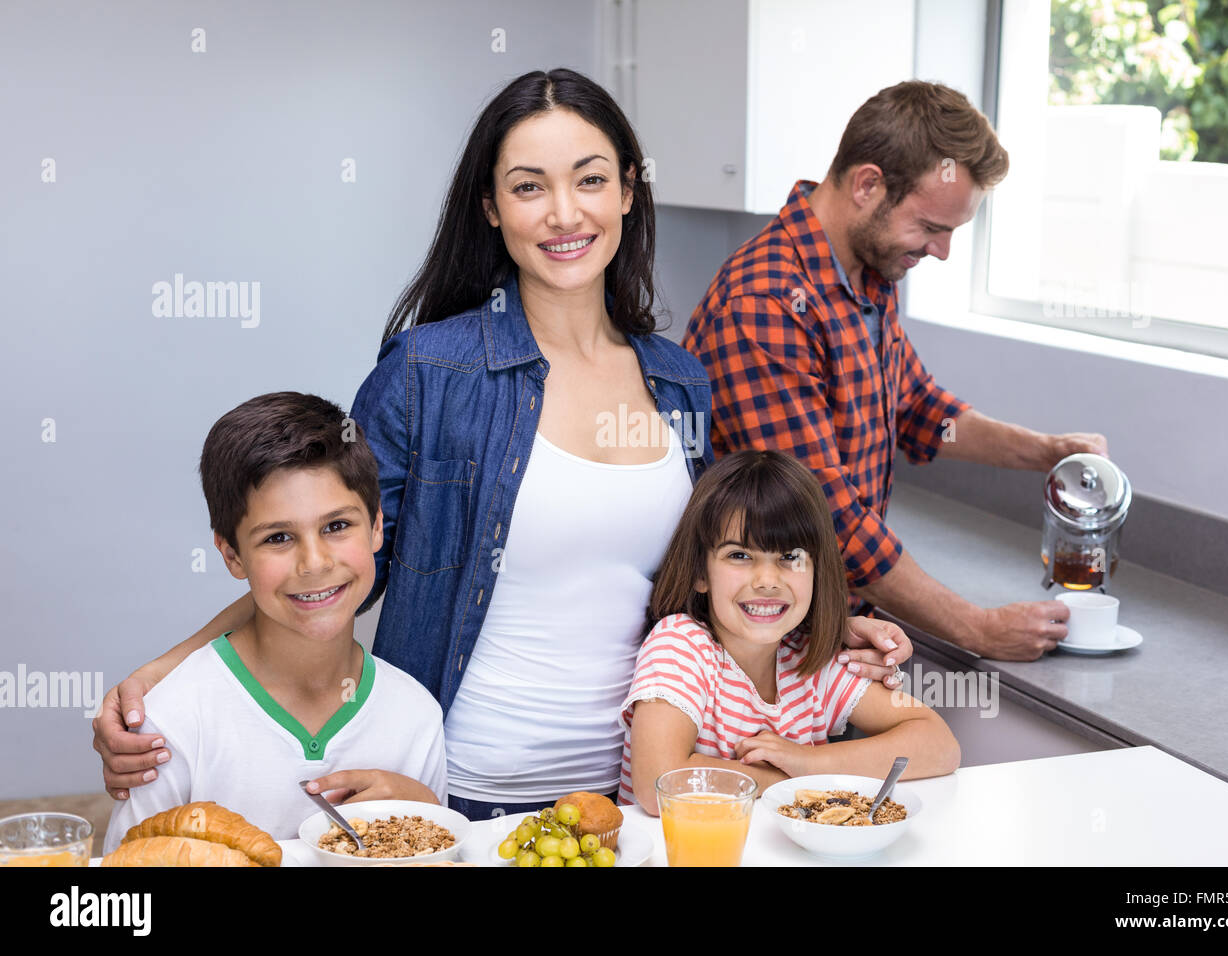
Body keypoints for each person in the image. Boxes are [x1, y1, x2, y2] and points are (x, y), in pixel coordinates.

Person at [91, 69, 913, 819]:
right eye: (530, 187)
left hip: (642, 793)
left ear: (628, 191)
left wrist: (825, 627)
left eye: (591, 179)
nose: (565, 213)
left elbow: (714, 574)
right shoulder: (428, 372)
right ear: (491, 206)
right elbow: (328, 553)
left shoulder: (679, 382)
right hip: (467, 788)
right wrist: (171, 674)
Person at [684, 80, 1108, 662]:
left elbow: (919, 410)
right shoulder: (767, 301)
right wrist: (977, 628)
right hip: (756, 645)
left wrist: (1044, 452)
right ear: (867, 185)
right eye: (932, 227)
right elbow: (824, 517)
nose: (941, 251)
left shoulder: (868, 274)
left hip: (828, 626)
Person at [102, 393, 447, 853]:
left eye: (337, 526)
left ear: (377, 525)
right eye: (278, 537)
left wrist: (427, 813)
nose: (314, 562)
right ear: (231, 555)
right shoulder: (173, 723)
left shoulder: (415, 715)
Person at [621, 450, 959, 812]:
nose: (767, 581)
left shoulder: (812, 661)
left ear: (817, 571)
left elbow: (940, 745)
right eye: (739, 556)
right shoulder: (681, 645)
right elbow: (658, 783)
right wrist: (780, 781)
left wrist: (808, 763)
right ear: (701, 573)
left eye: (790, 557)